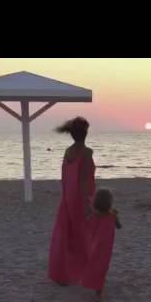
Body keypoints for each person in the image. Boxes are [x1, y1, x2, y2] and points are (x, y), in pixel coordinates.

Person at [48, 117, 96, 286]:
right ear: (85, 133)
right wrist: (88, 202)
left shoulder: (68, 151)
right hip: (80, 199)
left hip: (68, 197)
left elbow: (64, 176)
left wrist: (66, 196)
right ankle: (82, 272)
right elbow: (83, 180)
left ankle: (63, 273)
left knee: (66, 235)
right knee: (84, 235)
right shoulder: (86, 152)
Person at [81, 189, 122, 301]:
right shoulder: (112, 216)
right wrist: (116, 215)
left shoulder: (94, 216)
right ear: (110, 202)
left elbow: (87, 223)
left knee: (93, 264)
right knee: (103, 267)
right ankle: (98, 292)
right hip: (106, 248)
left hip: (93, 245)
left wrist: (89, 210)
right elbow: (119, 226)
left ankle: (92, 282)